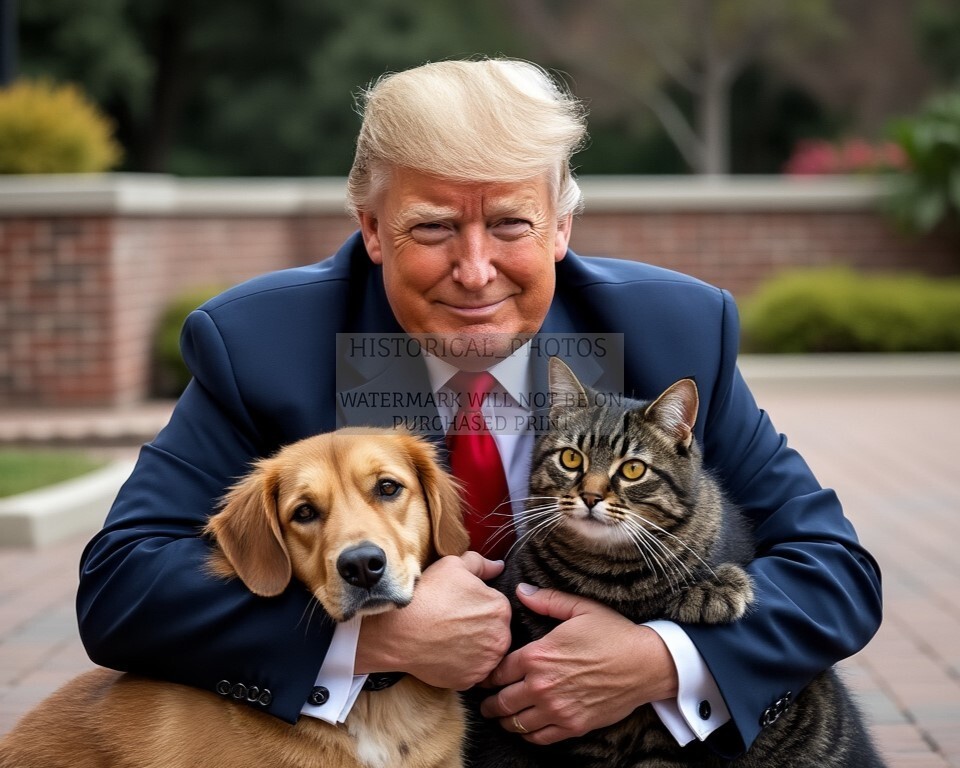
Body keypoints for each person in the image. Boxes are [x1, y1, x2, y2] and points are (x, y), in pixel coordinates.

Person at [77, 57, 882, 757]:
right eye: (432, 227)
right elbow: (122, 586)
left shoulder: (672, 330)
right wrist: (367, 639)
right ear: (372, 228)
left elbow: (834, 571)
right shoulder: (258, 343)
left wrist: (658, 659)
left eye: (510, 224)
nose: (475, 269)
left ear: (560, 226)